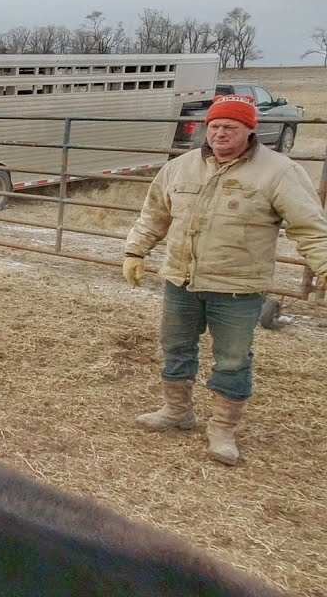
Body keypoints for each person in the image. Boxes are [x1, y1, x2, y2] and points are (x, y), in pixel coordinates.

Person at [123, 94, 327, 465]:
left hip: (237, 287)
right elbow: (154, 213)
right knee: (176, 347)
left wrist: (324, 264)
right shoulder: (181, 167)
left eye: (230, 127)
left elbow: (310, 227)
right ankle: (177, 411)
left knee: (233, 360)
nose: (220, 133)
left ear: (251, 130)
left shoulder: (279, 172)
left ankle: (223, 429)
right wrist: (136, 251)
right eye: (214, 126)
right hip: (181, 280)